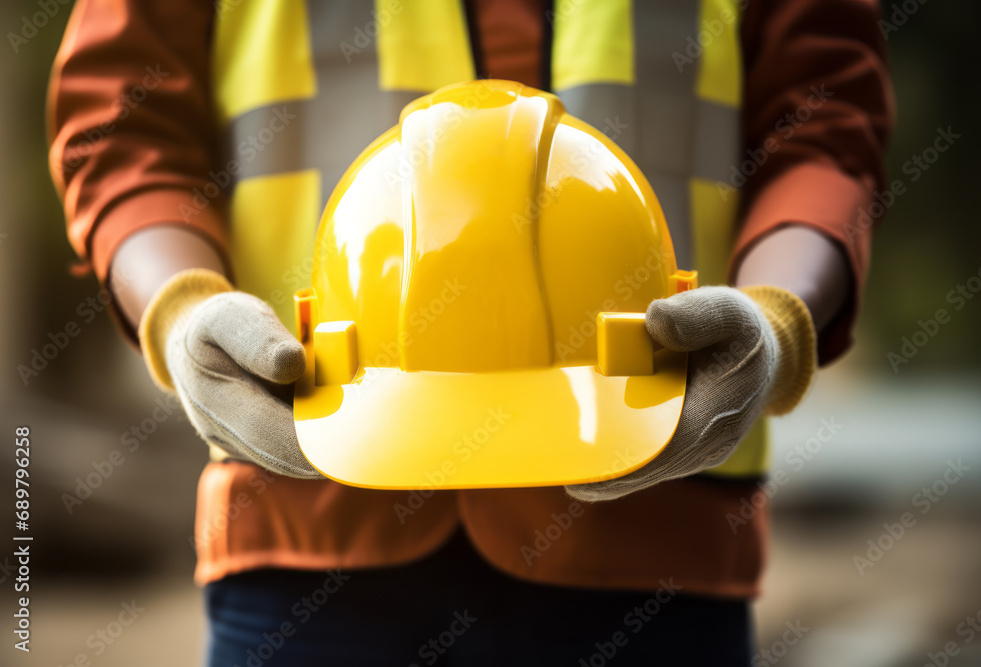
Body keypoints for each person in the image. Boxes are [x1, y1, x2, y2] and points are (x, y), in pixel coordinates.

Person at [48, 1, 893, 664]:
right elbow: (125, 124)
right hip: (310, 521)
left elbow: (824, 121)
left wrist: (778, 316)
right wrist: (181, 308)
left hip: (656, 525)